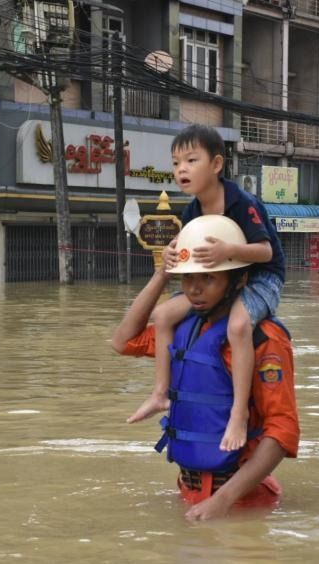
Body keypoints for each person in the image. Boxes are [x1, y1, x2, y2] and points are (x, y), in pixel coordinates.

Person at [112, 215, 299, 521]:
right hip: (189, 492)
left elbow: (282, 432)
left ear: (239, 279)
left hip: (243, 502)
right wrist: (162, 275)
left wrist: (222, 502)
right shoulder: (184, 327)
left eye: (208, 278)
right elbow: (123, 341)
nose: (194, 290)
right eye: (187, 279)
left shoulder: (263, 339)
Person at [127, 124, 286, 455]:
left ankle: (238, 412)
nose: (181, 169)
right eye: (175, 163)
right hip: (219, 277)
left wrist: (228, 250)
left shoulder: (242, 202)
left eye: (190, 160)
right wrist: (172, 255)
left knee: (239, 325)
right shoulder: (192, 210)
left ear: (216, 165)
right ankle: (160, 392)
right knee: (163, 314)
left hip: (260, 277)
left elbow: (265, 252)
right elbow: (187, 249)